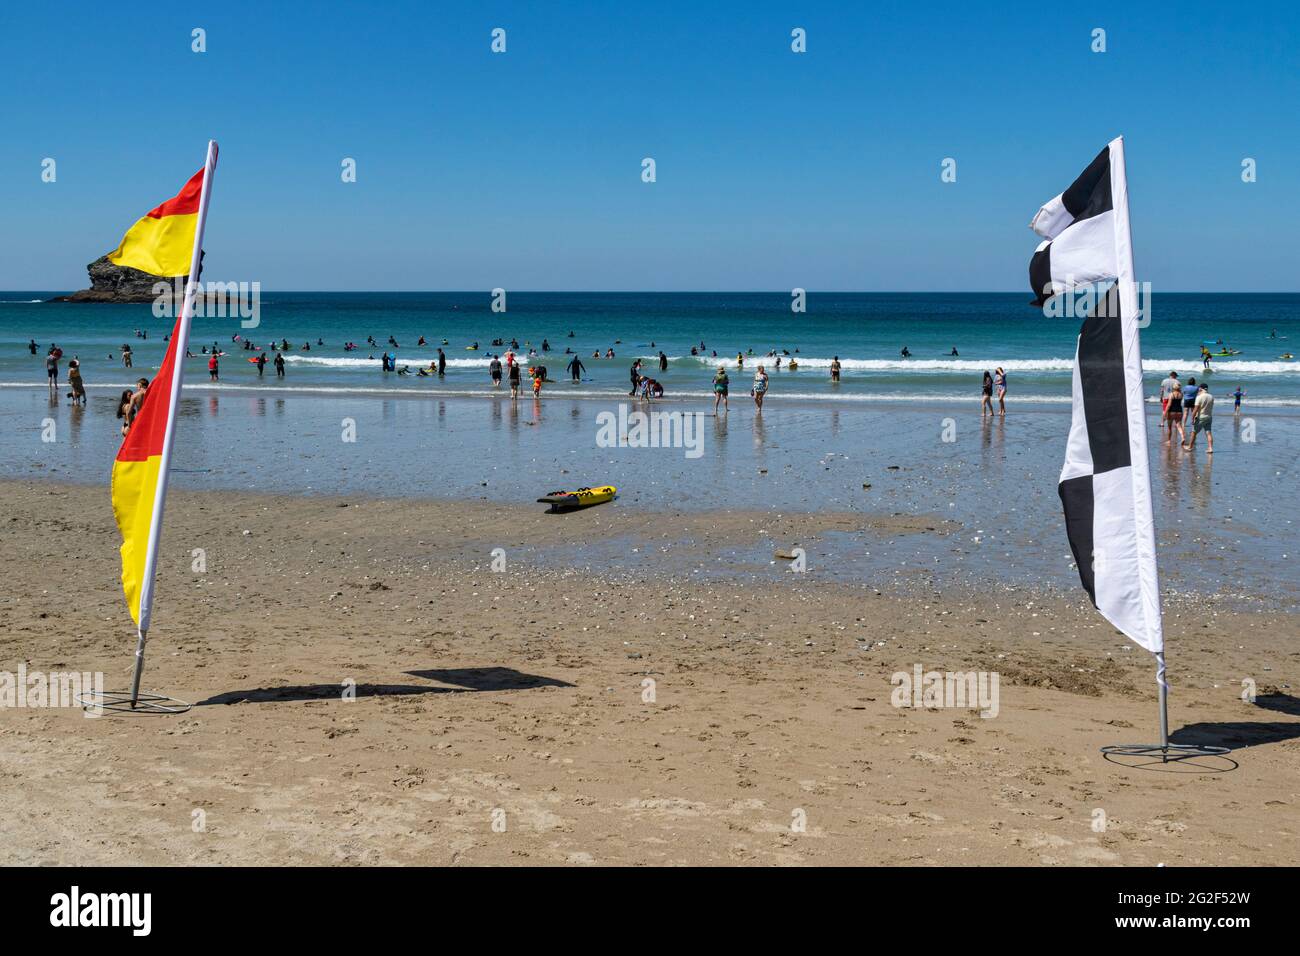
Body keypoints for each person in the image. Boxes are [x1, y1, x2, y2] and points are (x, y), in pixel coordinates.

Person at [1184, 383, 1214, 455]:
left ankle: (1190, 447)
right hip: (1209, 417)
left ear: (1201, 388)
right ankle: (1210, 448)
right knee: (1208, 432)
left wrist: (1192, 418)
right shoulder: (1211, 396)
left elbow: (1195, 409)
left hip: (1201, 417)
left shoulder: (1199, 397)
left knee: (1193, 432)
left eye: (1199, 389)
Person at [1164, 380, 1185, 444]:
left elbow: (1169, 404)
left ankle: (1169, 441)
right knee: (1179, 426)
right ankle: (1183, 437)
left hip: (1171, 412)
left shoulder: (1171, 394)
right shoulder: (1181, 394)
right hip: (1179, 411)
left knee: (1169, 427)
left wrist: (1165, 412)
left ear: (1173, 388)